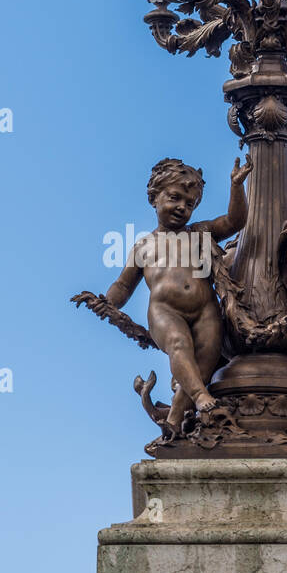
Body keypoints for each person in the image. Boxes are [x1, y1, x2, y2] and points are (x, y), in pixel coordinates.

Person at [104, 155, 252, 434]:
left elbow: (235, 221)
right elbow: (123, 286)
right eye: (174, 198)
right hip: (164, 311)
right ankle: (200, 397)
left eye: (190, 204)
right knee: (178, 345)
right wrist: (107, 302)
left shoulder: (199, 232)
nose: (182, 207)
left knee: (204, 365)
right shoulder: (143, 246)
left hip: (206, 310)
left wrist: (236, 186)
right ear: (154, 198)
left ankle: (173, 421)